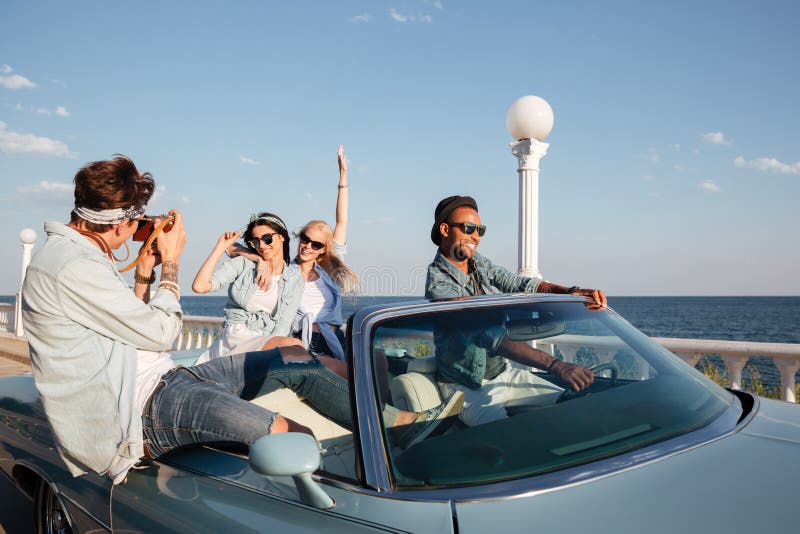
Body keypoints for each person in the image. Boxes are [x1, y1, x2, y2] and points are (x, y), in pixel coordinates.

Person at [21, 156, 460, 486]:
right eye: (137, 217)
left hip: (169, 378)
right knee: (293, 434)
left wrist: (144, 273)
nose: (141, 226)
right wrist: (171, 265)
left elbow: (132, 330)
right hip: (144, 408)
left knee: (296, 363)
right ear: (120, 221)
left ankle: (399, 426)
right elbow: (164, 331)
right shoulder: (71, 266)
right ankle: (343, 505)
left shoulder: (80, 258)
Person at [425, 195, 606, 426]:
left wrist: (570, 292)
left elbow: (516, 283)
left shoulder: (477, 263)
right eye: (468, 228)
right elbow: (487, 334)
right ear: (444, 229)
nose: (476, 236)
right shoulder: (439, 285)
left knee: (568, 406)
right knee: (506, 439)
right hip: (465, 388)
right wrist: (555, 364)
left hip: (505, 375)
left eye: (480, 230)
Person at [229, 145, 358, 363]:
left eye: (316, 244)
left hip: (334, 339)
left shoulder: (329, 269)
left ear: (323, 249)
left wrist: (343, 175)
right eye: (305, 239)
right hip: (301, 340)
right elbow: (230, 247)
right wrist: (259, 259)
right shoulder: (286, 269)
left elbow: (342, 221)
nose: (307, 246)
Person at [192, 213, 305, 363]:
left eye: (267, 238)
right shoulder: (244, 264)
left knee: (297, 349)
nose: (262, 246)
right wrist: (220, 247)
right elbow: (200, 286)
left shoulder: (295, 279)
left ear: (282, 237)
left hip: (267, 339)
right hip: (237, 336)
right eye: (256, 242)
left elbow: (283, 326)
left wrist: (269, 355)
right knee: (295, 347)